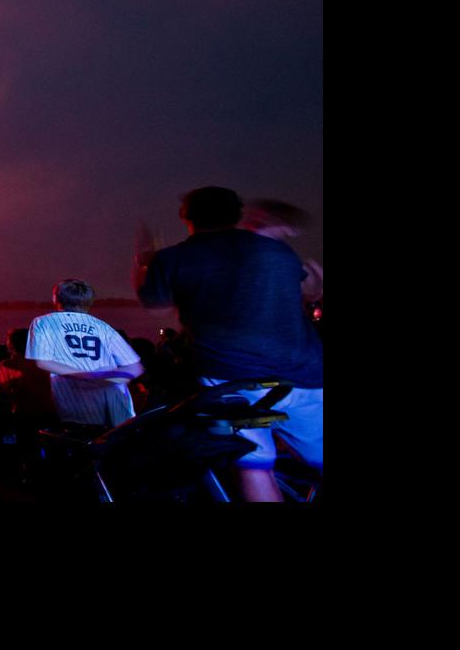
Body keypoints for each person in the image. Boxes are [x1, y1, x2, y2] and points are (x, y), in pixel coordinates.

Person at [135, 186, 323, 501]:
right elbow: (309, 290)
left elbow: (155, 306)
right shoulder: (275, 251)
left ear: (186, 217)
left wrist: (142, 266)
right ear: (237, 215)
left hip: (232, 379)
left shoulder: (173, 259)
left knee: (253, 464)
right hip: (304, 375)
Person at [26, 278, 143, 427]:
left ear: (56, 298)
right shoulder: (102, 326)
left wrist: (85, 376)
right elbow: (135, 367)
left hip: (77, 406)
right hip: (118, 405)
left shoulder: (43, 322)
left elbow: (43, 362)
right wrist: (108, 380)